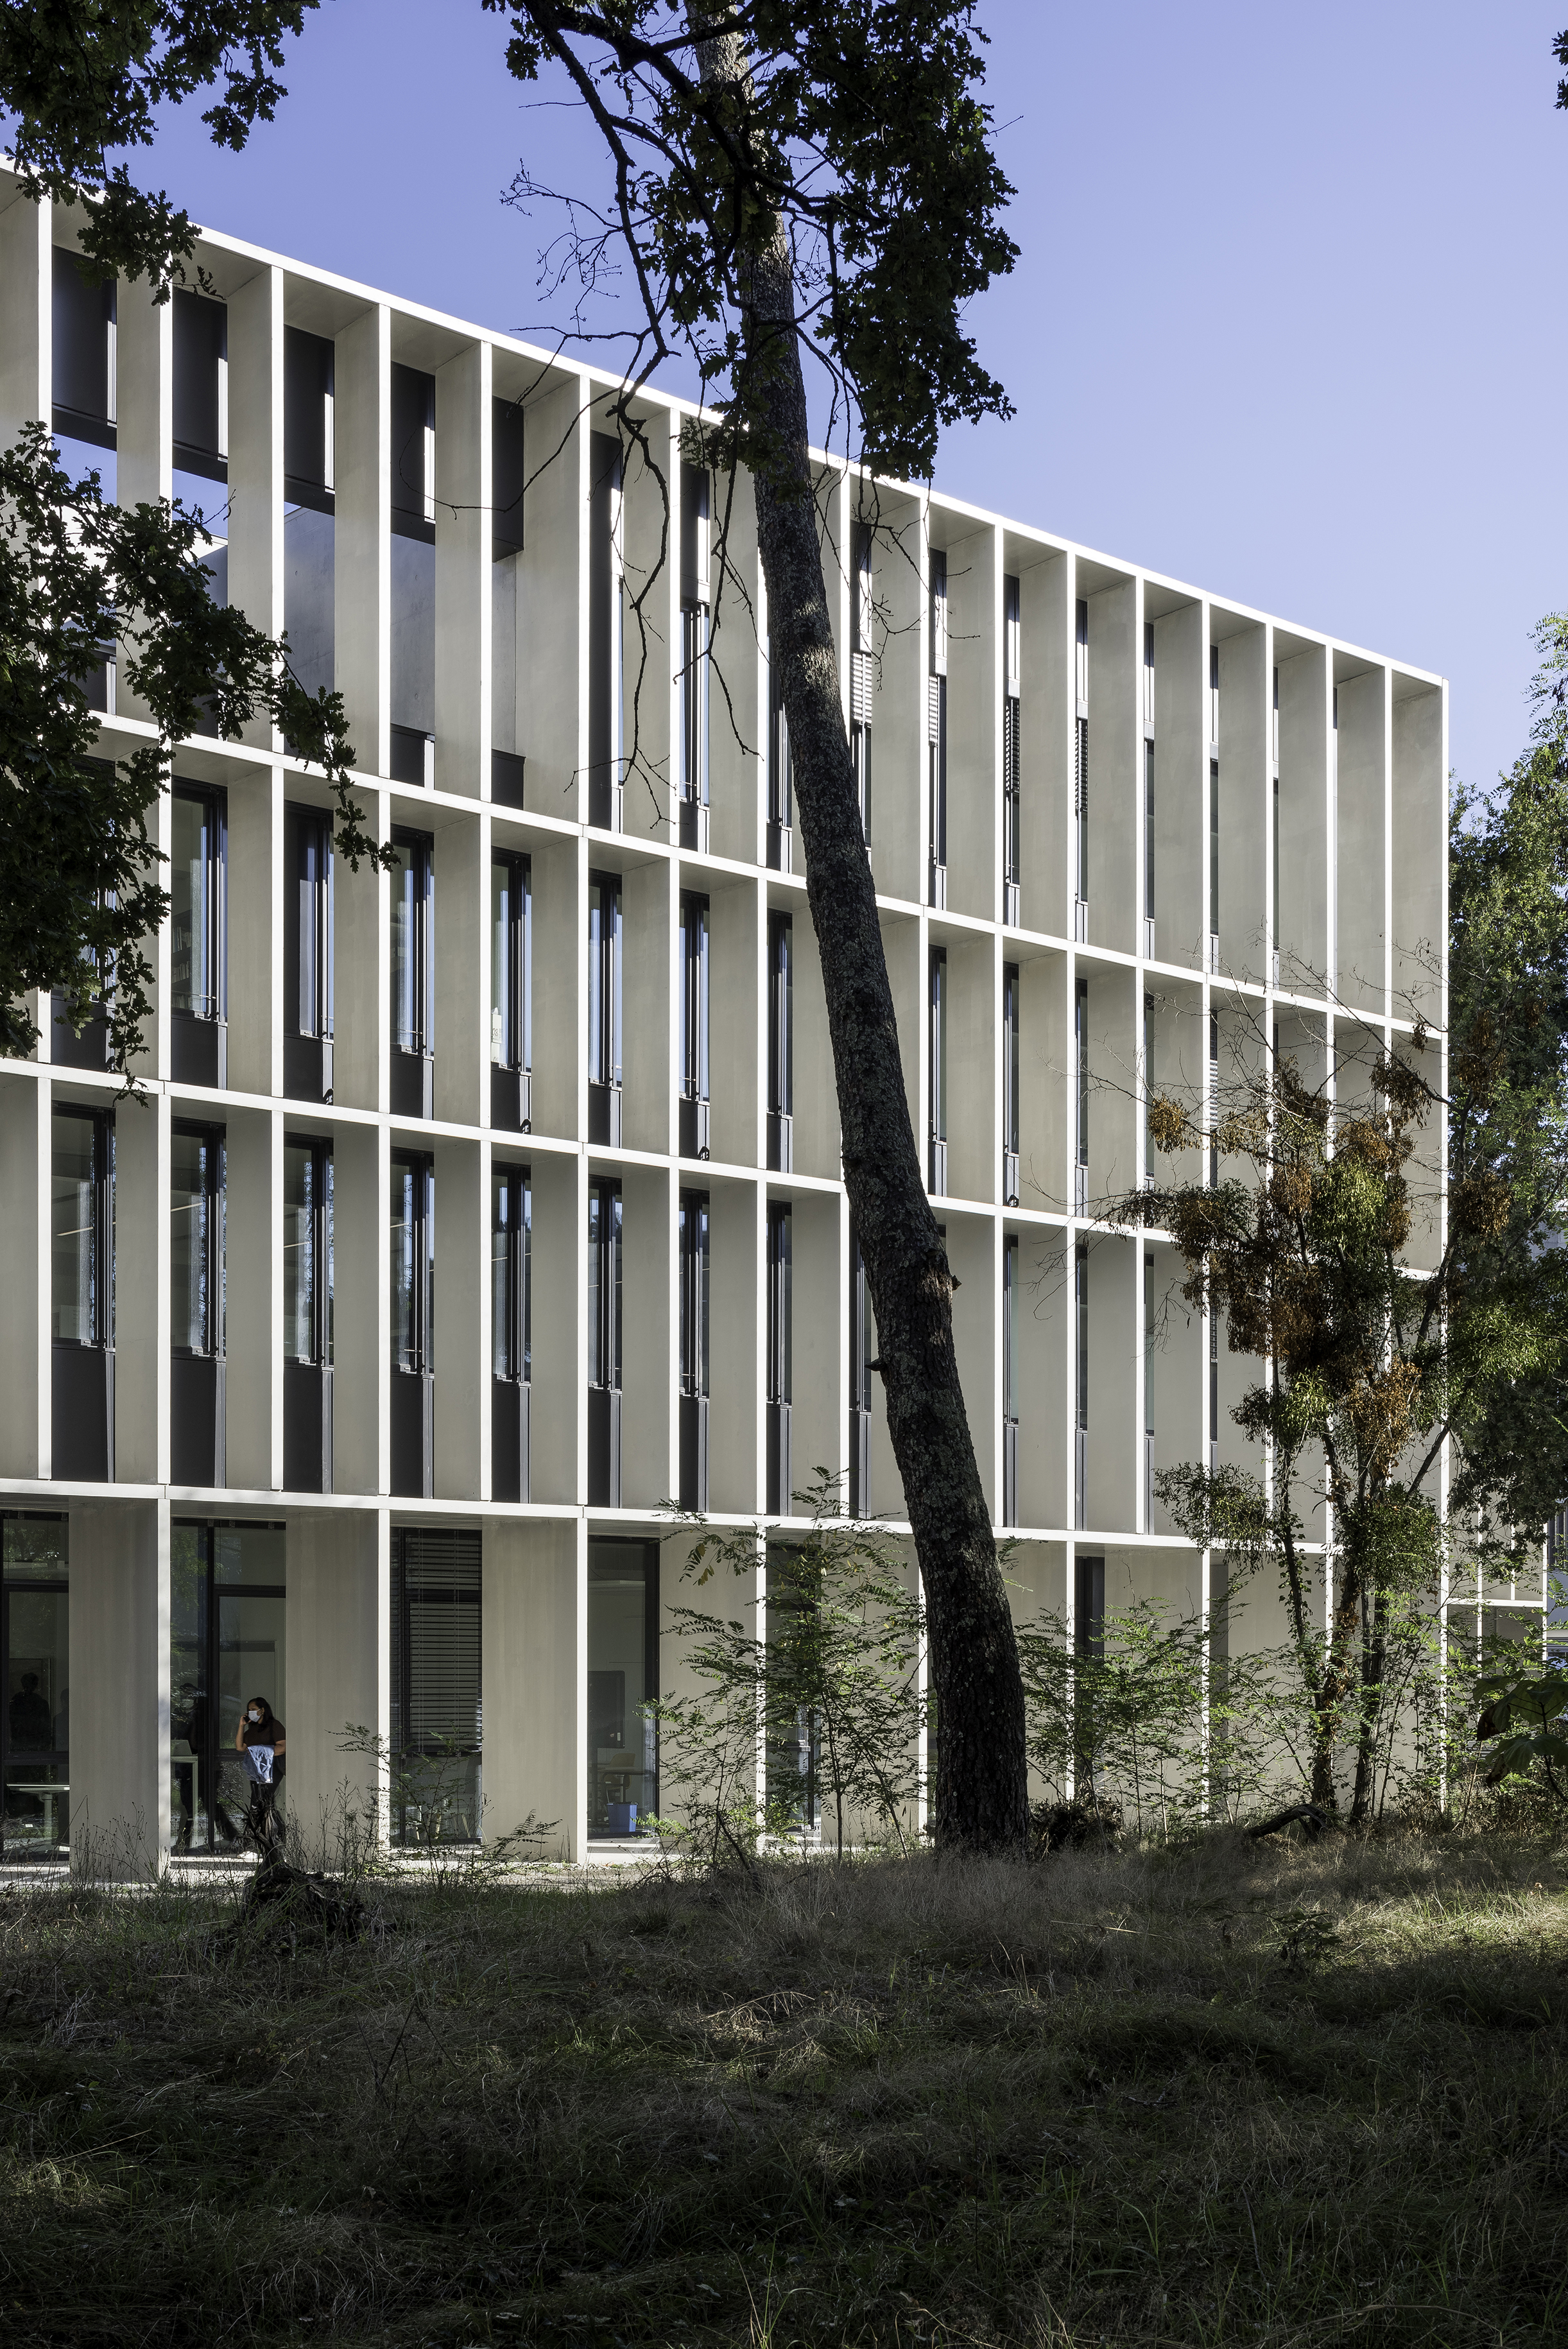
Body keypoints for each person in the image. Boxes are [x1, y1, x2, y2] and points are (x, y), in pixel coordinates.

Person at [234, 1694, 286, 1852]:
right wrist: (242, 1725)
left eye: (253, 1710)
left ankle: (255, 1841)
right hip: (256, 1770)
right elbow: (240, 1747)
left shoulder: (274, 1725)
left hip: (272, 1769)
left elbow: (283, 1747)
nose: (250, 1712)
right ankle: (277, 1837)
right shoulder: (252, 1729)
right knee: (264, 1803)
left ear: (262, 1710)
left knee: (258, 1803)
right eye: (248, 1710)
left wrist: (261, 1751)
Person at [8, 1672, 52, 1752]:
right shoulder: (41, 1703)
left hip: (20, 1746)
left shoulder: (16, 1702)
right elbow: (46, 1727)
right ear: (36, 1686)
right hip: (35, 1746)